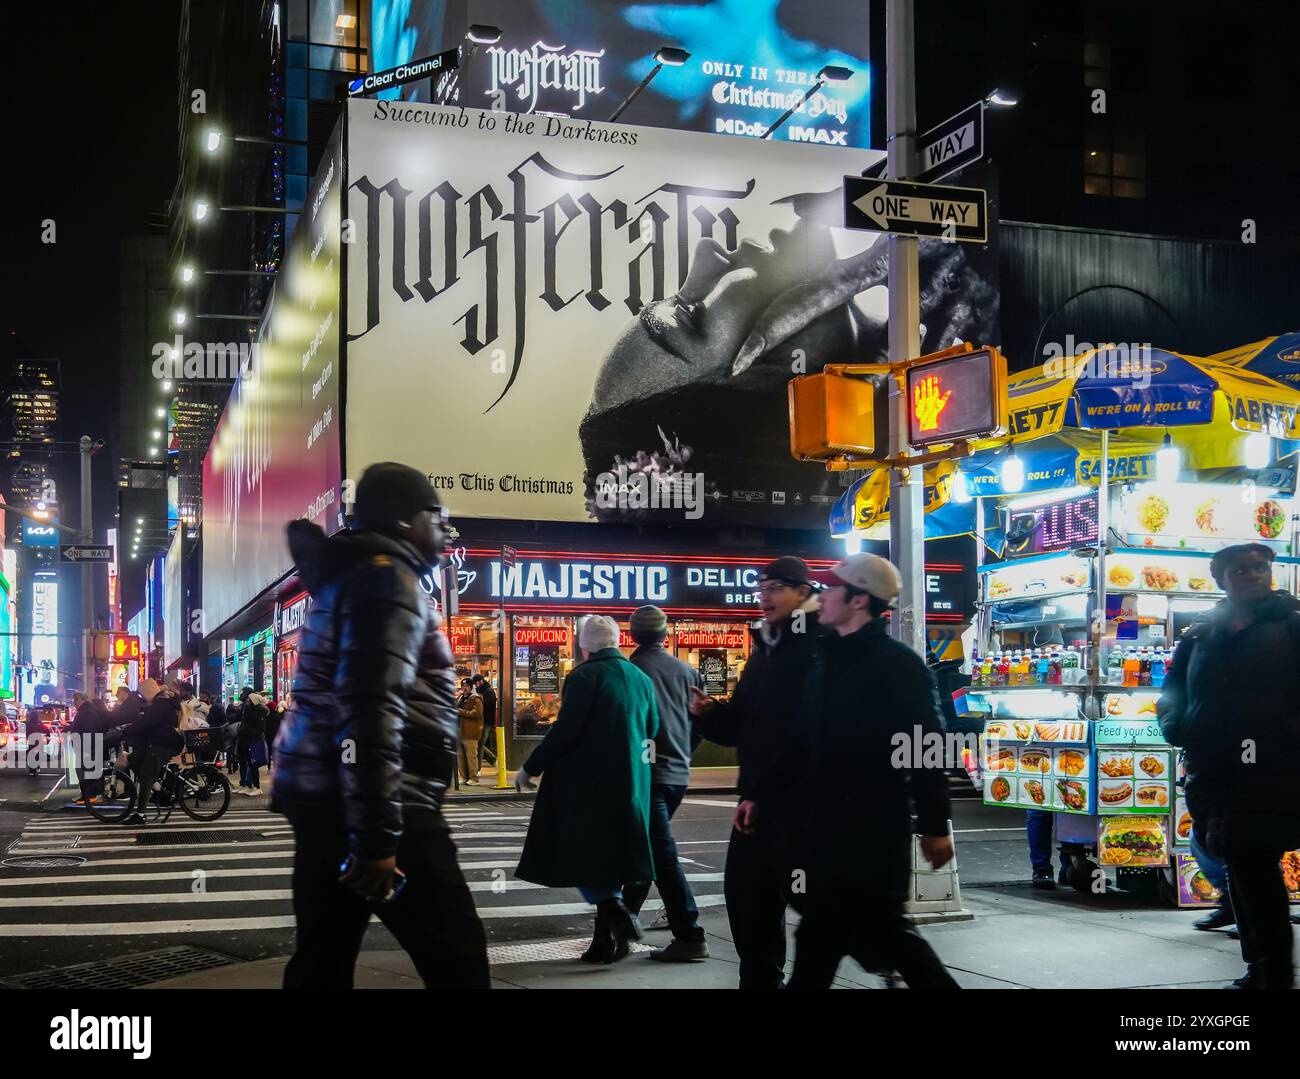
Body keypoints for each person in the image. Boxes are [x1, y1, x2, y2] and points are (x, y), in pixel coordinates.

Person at [273, 461, 489, 989]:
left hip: (330, 798)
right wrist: (375, 838)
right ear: (407, 520)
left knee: (322, 960)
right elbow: (371, 708)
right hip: (387, 804)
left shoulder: (353, 578)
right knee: (458, 958)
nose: (443, 529)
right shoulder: (389, 580)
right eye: (437, 516)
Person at [782, 554, 959, 989]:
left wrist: (936, 824)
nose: (820, 598)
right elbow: (803, 745)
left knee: (867, 936)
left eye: (830, 590)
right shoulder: (825, 661)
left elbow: (925, 746)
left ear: (858, 599)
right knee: (832, 938)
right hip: (825, 835)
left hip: (870, 834)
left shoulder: (897, 665)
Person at [1158, 542, 1300, 990]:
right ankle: (1261, 966)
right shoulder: (1201, 634)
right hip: (1213, 766)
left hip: (1271, 763)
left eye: (1261, 568)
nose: (1253, 575)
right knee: (1240, 863)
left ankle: (1270, 971)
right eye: (1241, 570)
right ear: (1220, 578)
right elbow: (1173, 688)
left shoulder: (1292, 624)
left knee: (1252, 861)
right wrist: (1175, 724)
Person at [688, 555, 819, 989]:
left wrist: (760, 793)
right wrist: (709, 712)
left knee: (817, 909)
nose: (764, 595)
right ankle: (761, 982)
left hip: (801, 804)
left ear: (803, 592)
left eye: (775, 587)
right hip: (759, 804)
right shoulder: (765, 651)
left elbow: (804, 736)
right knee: (747, 897)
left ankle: (891, 954)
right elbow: (740, 726)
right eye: (760, 587)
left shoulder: (818, 647)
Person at [515, 614, 660, 964]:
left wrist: (530, 767)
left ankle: (613, 909)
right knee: (613, 860)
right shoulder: (640, 678)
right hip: (634, 783)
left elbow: (566, 730)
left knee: (579, 852)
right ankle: (605, 941)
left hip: (588, 783)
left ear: (584, 647)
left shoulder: (584, 676)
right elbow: (653, 726)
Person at [621, 604, 709, 962]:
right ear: (666, 635)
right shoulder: (689, 673)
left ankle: (689, 933)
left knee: (659, 852)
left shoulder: (628, 672)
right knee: (648, 848)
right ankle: (620, 926)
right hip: (676, 775)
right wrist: (684, 751)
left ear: (632, 635)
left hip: (647, 776)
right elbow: (703, 722)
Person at [120, 678, 184, 826]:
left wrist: (127, 730)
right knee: (137, 761)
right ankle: (159, 791)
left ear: (147, 692)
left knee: (146, 775)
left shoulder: (160, 703)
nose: (142, 698)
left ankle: (141, 815)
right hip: (162, 741)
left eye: (142, 694)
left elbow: (147, 722)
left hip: (164, 743)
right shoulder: (163, 700)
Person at [68, 691, 114, 805]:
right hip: (87, 746)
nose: (74, 703)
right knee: (85, 771)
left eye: (76, 699)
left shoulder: (87, 712)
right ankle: (88, 795)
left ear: (82, 699)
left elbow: (89, 730)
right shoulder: (86, 711)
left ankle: (90, 796)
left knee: (87, 771)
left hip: (87, 747)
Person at [236, 693, 269, 795]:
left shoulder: (257, 711)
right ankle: (249, 786)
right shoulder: (250, 710)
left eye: (249, 700)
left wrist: (248, 733)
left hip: (252, 740)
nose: (247, 701)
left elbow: (258, 728)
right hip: (247, 740)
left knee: (253, 764)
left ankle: (257, 787)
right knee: (249, 763)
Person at [456, 678, 483, 784]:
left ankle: (474, 778)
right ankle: (463, 777)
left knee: (471, 757)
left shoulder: (475, 698)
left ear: (471, 687)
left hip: (471, 732)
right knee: (461, 756)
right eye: (463, 686)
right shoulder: (460, 698)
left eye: (466, 686)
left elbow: (477, 713)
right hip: (460, 731)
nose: (464, 688)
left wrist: (461, 712)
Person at [473, 674, 498, 766]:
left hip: (486, 722)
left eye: (476, 683)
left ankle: (490, 762)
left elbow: (486, 707)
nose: (476, 686)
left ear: (480, 681)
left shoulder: (488, 692)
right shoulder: (484, 691)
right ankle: (493, 760)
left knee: (479, 744)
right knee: (480, 744)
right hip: (484, 722)